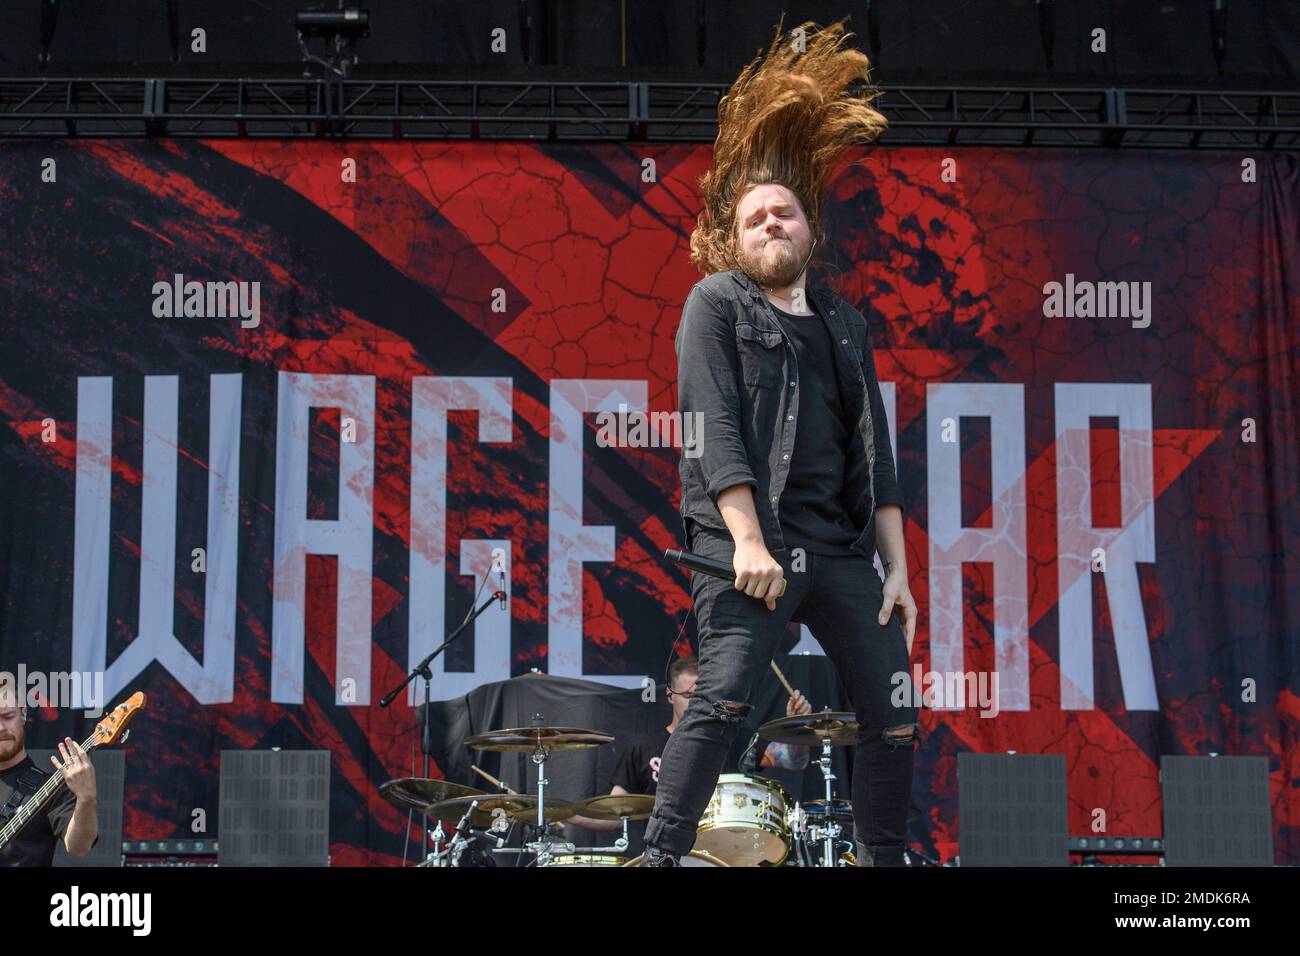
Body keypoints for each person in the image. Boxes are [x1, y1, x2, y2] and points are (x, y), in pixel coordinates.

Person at [641, 18, 920, 867]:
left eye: (784, 213)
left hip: (837, 552)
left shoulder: (845, 325)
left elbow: (876, 453)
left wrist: (897, 565)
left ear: (809, 230)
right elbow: (711, 426)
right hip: (747, 549)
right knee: (722, 697)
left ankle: (884, 856)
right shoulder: (717, 303)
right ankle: (658, 856)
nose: (771, 223)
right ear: (737, 233)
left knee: (896, 707)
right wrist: (749, 540)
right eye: (755, 215)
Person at [567, 654, 811, 835]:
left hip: (727, 850)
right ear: (670, 695)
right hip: (667, 854)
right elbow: (617, 814)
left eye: (704, 697)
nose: (697, 704)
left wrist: (797, 726)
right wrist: (561, 813)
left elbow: (793, 760)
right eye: (689, 697)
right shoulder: (644, 748)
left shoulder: (734, 737)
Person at [0, 678, 99, 866]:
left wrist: (87, 798)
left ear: (23, 713)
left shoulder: (50, 788)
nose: (1, 728)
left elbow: (79, 846)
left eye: (7, 717)